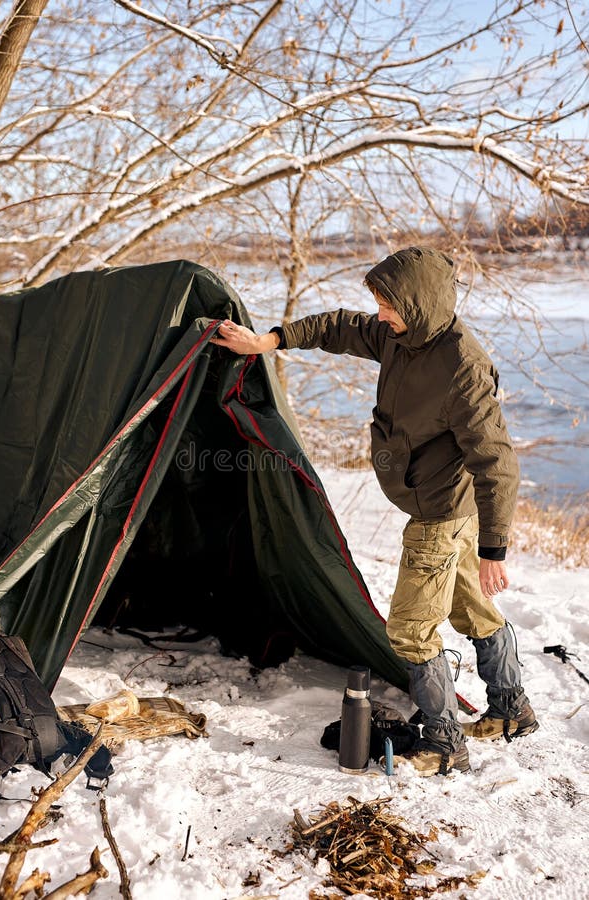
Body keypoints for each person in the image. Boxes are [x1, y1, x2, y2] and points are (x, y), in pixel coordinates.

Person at [211, 245, 538, 776]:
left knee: (410, 630)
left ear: (419, 302)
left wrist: (494, 548)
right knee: (471, 611)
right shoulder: (399, 334)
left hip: (440, 515)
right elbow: (339, 327)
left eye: (389, 305)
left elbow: (497, 463)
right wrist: (268, 341)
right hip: (439, 508)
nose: (380, 315)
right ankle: (510, 710)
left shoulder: (462, 368)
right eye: (380, 305)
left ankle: (444, 739)